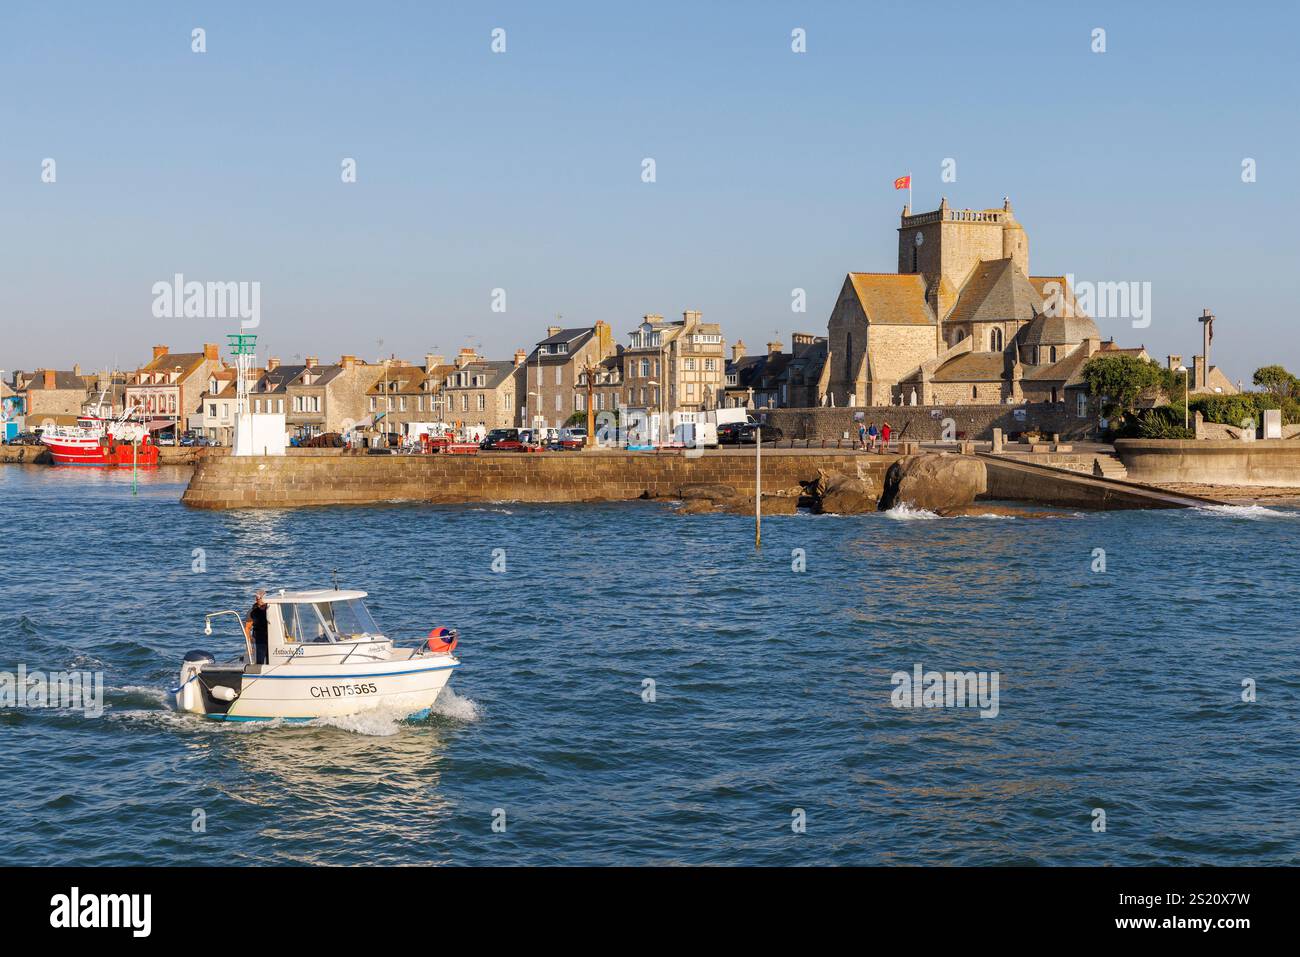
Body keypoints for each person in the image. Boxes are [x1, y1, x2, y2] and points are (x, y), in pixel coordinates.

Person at [248, 589, 270, 665]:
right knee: (260, 660)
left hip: (271, 637)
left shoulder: (270, 608)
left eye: (259, 597)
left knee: (270, 660)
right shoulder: (253, 611)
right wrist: (249, 643)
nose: (257, 599)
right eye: (256, 598)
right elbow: (247, 628)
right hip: (259, 638)